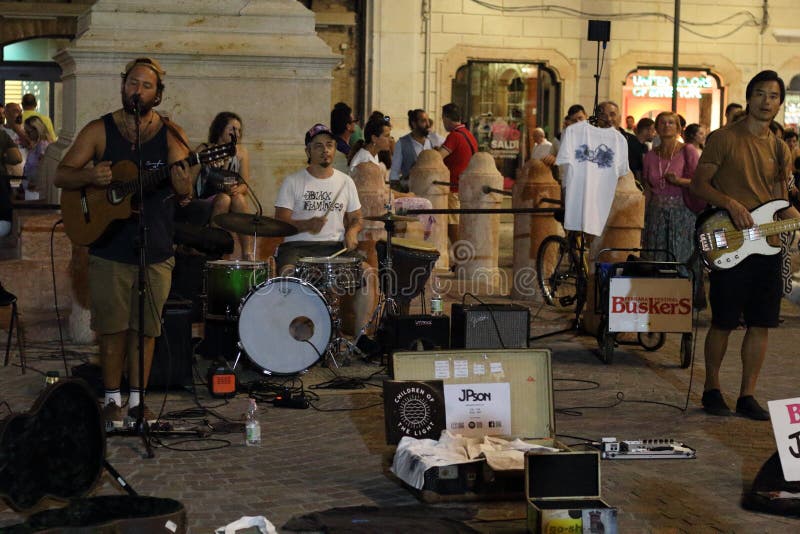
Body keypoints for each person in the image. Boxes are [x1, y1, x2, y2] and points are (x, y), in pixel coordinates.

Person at [54, 57, 196, 427]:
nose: (138, 90)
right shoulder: (101, 129)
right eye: (133, 82)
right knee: (113, 328)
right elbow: (61, 174)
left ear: (158, 94)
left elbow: (184, 187)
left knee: (145, 329)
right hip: (109, 245)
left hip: (157, 245)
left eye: (146, 85)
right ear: (123, 86)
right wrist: (89, 174)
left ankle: (137, 402)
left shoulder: (171, 133)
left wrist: (184, 187)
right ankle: (112, 399)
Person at [689, 70, 800, 421]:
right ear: (750, 97)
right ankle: (711, 388)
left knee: (762, 322)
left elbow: (780, 201)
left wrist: (792, 216)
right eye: (761, 94)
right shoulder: (724, 138)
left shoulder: (781, 148)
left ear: (780, 103)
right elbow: (699, 184)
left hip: (767, 245)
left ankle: (747, 395)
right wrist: (731, 204)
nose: (767, 102)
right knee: (722, 320)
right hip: (730, 239)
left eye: (774, 96)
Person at [640, 111, 703, 307]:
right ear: (656, 128)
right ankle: (662, 303)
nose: (667, 125)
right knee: (657, 257)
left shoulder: (688, 151)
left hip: (682, 212)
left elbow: (700, 182)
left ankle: (684, 303)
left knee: (682, 257)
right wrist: (642, 217)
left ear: (678, 128)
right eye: (662, 123)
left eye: (671, 123)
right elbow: (648, 188)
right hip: (656, 213)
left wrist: (679, 181)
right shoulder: (650, 155)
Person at [195, 111, 254, 259]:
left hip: (230, 193)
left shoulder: (241, 152)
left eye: (239, 130)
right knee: (224, 199)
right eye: (233, 129)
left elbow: (244, 184)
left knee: (239, 199)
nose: (237, 133)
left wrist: (235, 189)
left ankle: (247, 252)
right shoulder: (204, 149)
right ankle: (215, 249)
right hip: (207, 196)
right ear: (220, 128)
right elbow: (191, 176)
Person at [437, 102, 478, 246]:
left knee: (452, 224)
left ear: (447, 118)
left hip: (453, 188)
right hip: (465, 188)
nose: (443, 123)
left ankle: (460, 254)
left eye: (443, 119)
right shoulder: (468, 134)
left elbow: (438, 158)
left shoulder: (454, 136)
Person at [389, 109, 435, 184]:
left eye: (428, 120)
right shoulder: (401, 143)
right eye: (423, 121)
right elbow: (394, 172)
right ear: (414, 124)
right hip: (409, 191)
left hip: (429, 191)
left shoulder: (431, 142)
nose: (428, 124)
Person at [22, 115, 54, 188]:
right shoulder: (38, 145)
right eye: (25, 131)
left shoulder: (43, 145)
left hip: (35, 189)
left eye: (28, 132)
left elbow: (43, 170)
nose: (26, 134)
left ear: (37, 130)